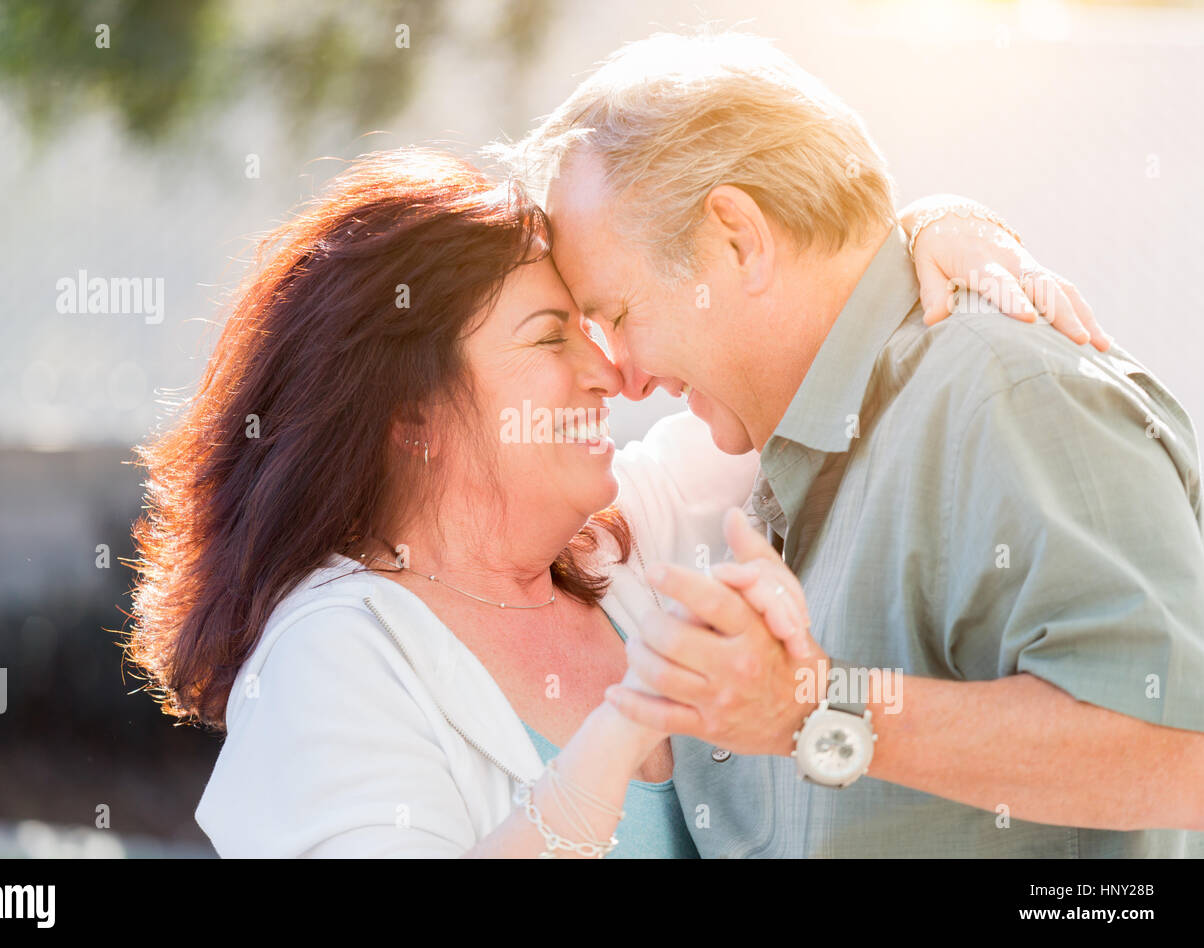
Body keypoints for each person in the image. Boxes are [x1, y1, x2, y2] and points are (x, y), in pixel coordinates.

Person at [125, 143, 1102, 857]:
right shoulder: (331, 659)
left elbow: (798, 372)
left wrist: (933, 227)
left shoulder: (628, 539)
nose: (606, 371)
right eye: (551, 338)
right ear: (410, 415)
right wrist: (626, 726)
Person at [508, 30, 1204, 856]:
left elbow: (1179, 750)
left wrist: (813, 710)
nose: (622, 377)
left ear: (737, 238)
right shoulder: (782, 461)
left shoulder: (1000, 392)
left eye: (617, 317)